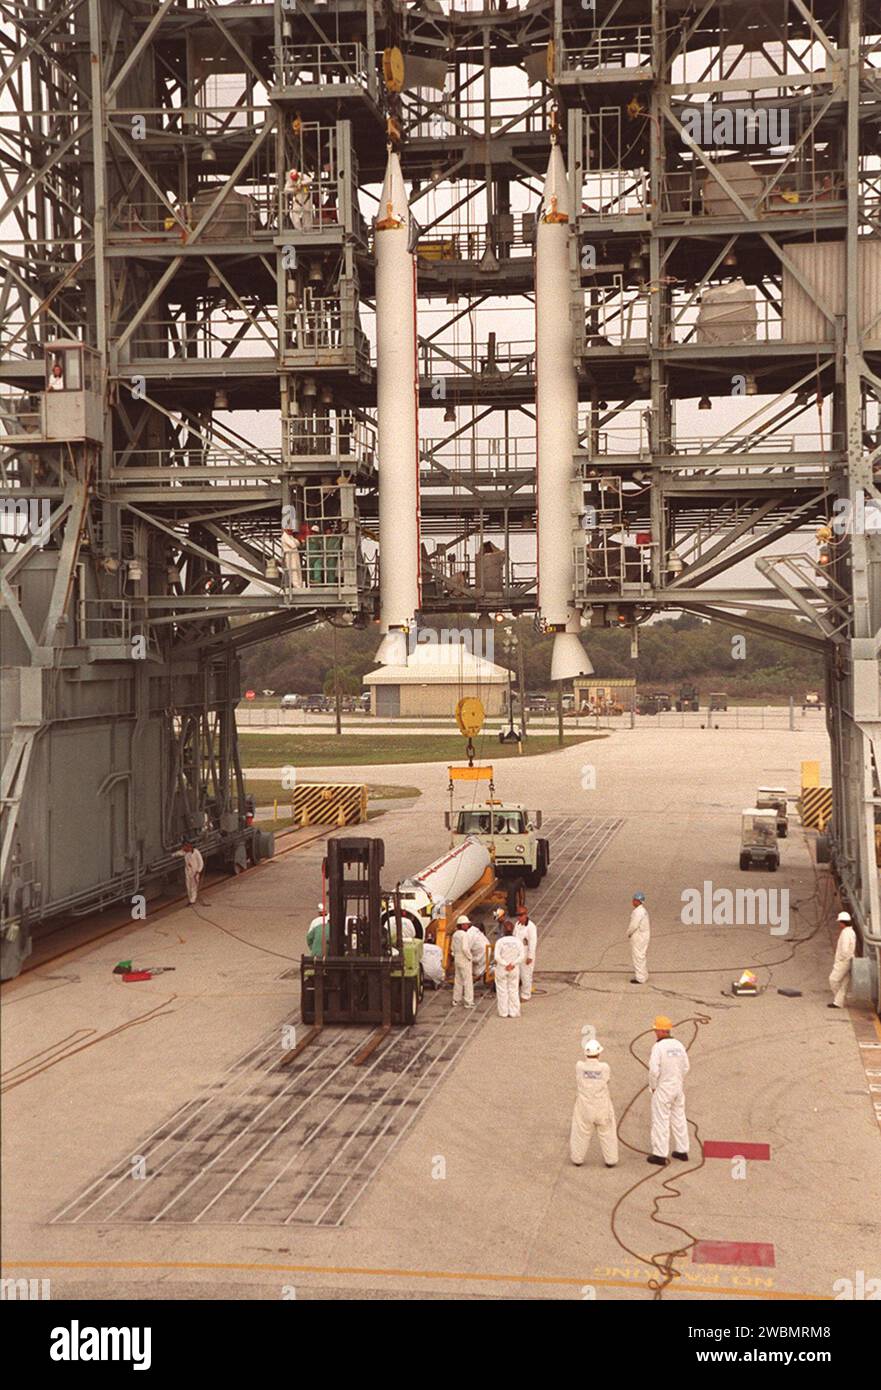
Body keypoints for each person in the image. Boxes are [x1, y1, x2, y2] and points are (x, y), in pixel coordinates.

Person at [647, 1015, 690, 1165]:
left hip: (663, 1088)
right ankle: (682, 1150)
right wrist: (678, 1079)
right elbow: (686, 1066)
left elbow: (653, 1071)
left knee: (660, 1120)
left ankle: (659, 1154)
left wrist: (653, 1086)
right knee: (679, 1118)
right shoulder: (679, 1045)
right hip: (677, 1087)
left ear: (659, 1031)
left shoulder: (658, 1047)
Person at [570, 1038, 619, 1168]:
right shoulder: (604, 1067)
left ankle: (577, 1158)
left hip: (584, 1107)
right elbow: (607, 1080)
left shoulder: (579, 1066)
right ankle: (611, 1160)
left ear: (586, 1053)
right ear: (599, 1053)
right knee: (607, 1132)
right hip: (602, 1106)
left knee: (580, 1132)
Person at [493, 919, 524, 1018]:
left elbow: (497, 956)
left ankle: (503, 1012)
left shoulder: (500, 942)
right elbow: (522, 956)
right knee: (513, 990)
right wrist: (512, 964)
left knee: (502, 990)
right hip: (514, 969)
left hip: (502, 969)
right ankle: (514, 1012)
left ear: (503, 931)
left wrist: (505, 964)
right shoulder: (518, 942)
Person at [828, 910, 856, 1008]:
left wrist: (841, 959)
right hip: (849, 960)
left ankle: (839, 999)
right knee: (844, 982)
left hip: (843, 961)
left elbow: (844, 949)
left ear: (842, 922)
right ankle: (839, 1002)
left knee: (833, 980)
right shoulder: (852, 932)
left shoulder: (845, 933)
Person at [514, 906, 538, 1000]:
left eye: (521, 915)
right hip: (517, 952)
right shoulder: (517, 924)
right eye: (518, 915)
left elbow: (533, 942)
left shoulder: (531, 927)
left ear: (525, 915)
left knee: (526, 974)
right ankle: (518, 992)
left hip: (526, 952)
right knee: (518, 974)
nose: (519, 917)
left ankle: (526, 995)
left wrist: (530, 956)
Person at [628, 890, 650, 985]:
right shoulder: (643, 911)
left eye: (634, 899)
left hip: (639, 937)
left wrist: (628, 933)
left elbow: (633, 925)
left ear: (637, 901)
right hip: (644, 936)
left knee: (637, 957)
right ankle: (643, 975)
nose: (632, 901)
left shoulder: (638, 912)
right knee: (641, 955)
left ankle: (640, 978)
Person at [451, 916, 474, 1008]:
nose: (468, 926)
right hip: (464, 959)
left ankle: (456, 999)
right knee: (468, 981)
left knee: (458, 980)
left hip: (457, 958)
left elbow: (452, 948)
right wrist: (470, 957)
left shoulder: (455, 934)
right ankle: (469, 1002)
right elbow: (465, 948)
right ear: (462, 925)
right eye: (466, 924)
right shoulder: (464, 935)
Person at [180, 841, 204, 906]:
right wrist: (172, 855)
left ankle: (192, 900)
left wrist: (198, 871)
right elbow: (179, 853)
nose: (184, 848)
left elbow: (201, 862)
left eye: (185, 847)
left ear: (189, 847)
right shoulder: (185, 853)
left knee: (194, 886)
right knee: (188, 886)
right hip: (188, 872)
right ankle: (190, 898)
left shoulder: (196, 852)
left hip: (195, 872)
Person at [281, 526, 303, 590]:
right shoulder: (284, 537)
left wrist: (297, 542)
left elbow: (297, 543)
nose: (291, 531)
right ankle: (296, 586)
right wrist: (297, 542)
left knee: (298, 569)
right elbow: (293, 544)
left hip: (294, 554)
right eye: (290, 530)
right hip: (290, 555)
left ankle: (300, 585)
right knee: (293, 571)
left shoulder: (290, 536)